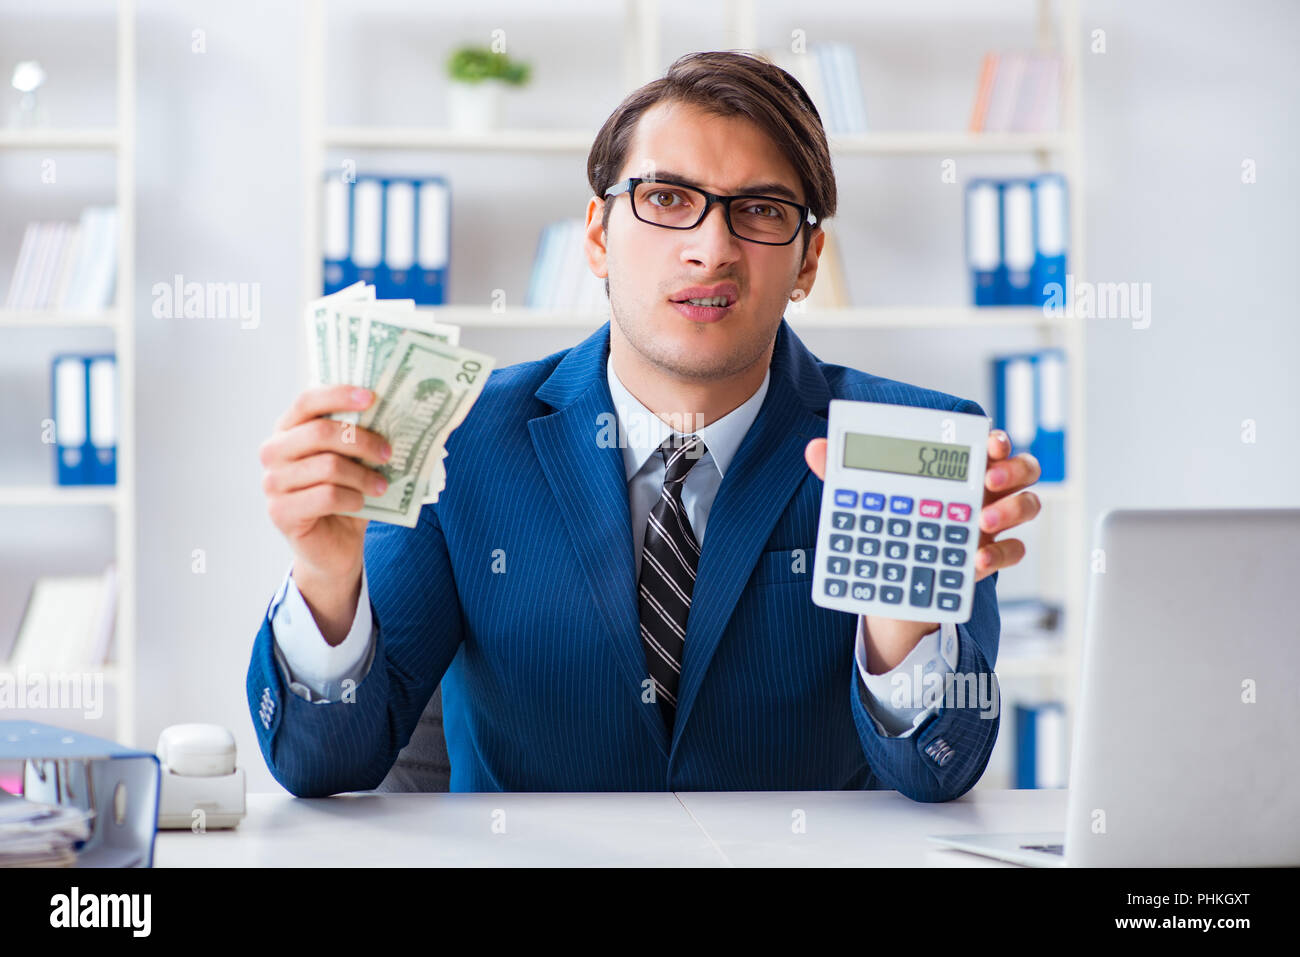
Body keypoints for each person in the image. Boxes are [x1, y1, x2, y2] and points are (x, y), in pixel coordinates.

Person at [250, 51, 1041, 799]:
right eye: (667, 199)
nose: (711, 249)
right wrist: (325, 578)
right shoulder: (462, 441)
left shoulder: (914, 445)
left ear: (807, 263)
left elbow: (939, 770)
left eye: (760, 211)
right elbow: (329, 761)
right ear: (597, 235)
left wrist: (900, 622)